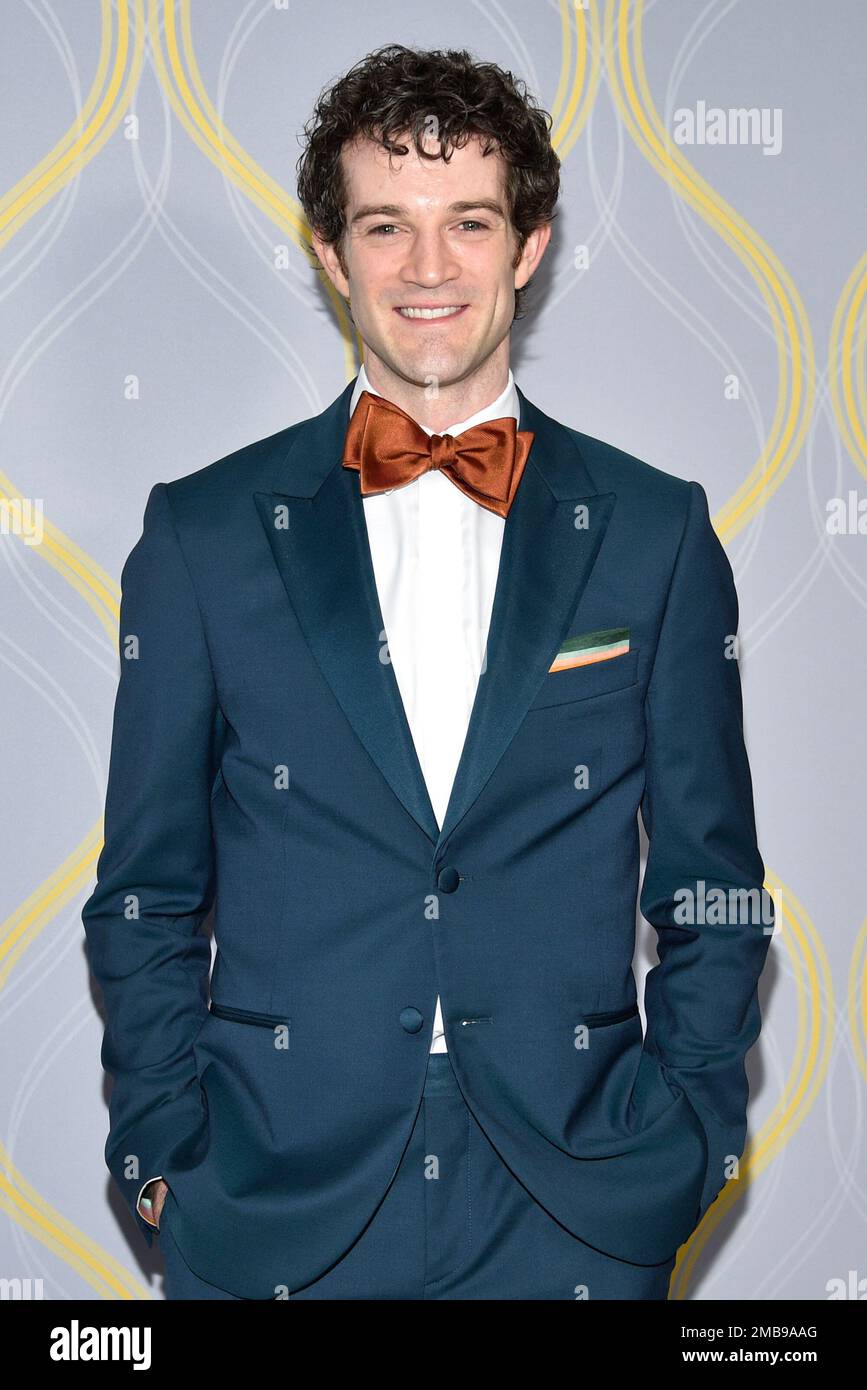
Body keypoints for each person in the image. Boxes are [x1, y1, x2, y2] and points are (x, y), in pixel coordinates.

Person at [82, 43, 773, 1300]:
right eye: (385, 226)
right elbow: (144, 893)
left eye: (469, 221)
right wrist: (170, 1159)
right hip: (276, 1187)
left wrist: (688, 1141)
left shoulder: (654, 530)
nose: (429, 268)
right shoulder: (203, 533)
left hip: (575, 1190)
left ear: (530, 244)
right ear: (332, 254)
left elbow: (716, 887)